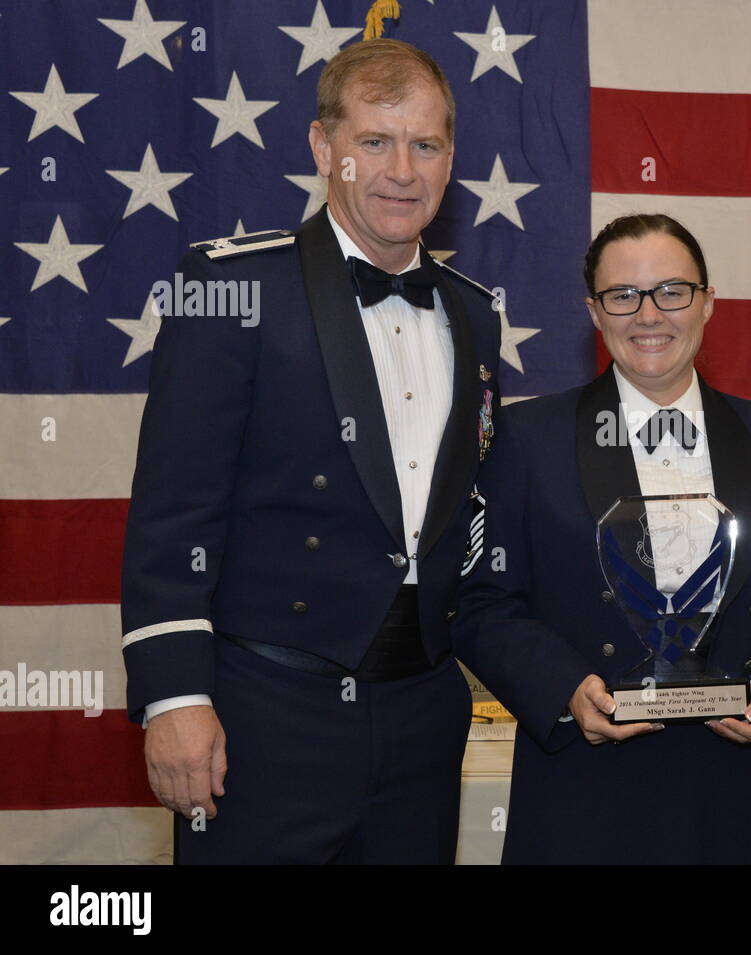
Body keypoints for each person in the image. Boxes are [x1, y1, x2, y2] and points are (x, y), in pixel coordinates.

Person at [120, 38, 501, 864]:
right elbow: (172, 510)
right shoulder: (233, 288)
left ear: (450, 160)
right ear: (324, 148)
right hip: (263, 712)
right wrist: (174, 695)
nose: (402, 168)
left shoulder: (476, 315)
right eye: (375, 141)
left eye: (426, 144)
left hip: (424, 711)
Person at [452, 214, 751, 864]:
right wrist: (566, 687)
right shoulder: (528, 439)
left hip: (735, 796)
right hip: (582, 790)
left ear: (708, 301)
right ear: (594, 312)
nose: (648, 314)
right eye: (623, 295)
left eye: (672, 291)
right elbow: (480, 601)